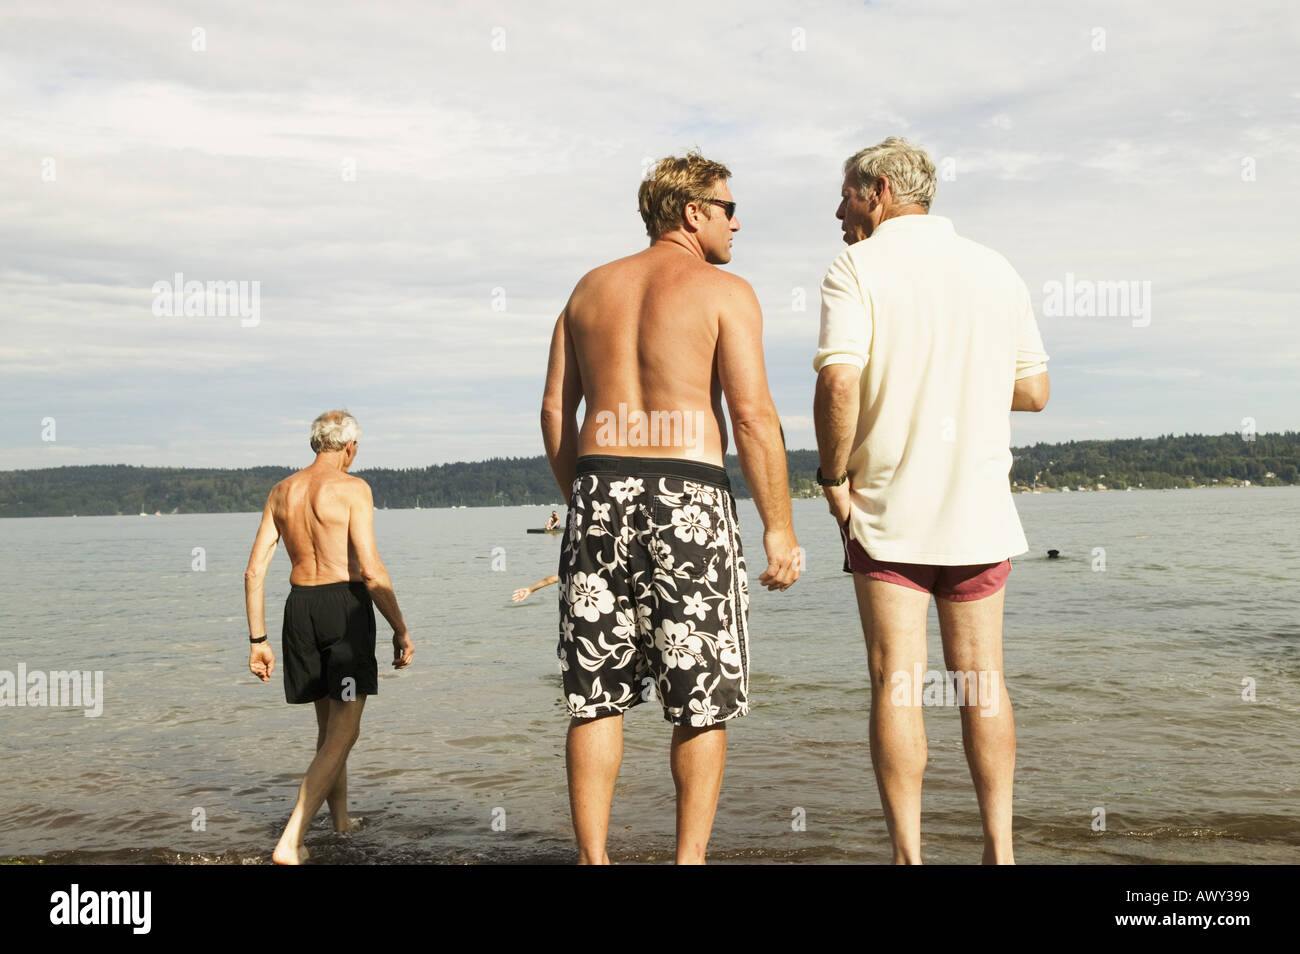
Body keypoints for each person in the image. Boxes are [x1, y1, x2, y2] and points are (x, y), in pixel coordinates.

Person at [541, 151, 801, 865]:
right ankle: (688, 863)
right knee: (701, 693)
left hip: (598, 485)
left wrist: (586, 498)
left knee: (596, 692)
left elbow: (554, 409)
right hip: (687, 494)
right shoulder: (725, 291)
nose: (736, 221)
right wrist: (780, 527)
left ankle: (595, 862)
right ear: (692, 212)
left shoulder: (589, 290)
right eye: (727, 208)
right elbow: (751, 417)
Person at [812, 137, 1050, 864]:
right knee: (983, 681)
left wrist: (830, 477)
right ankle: (999, 852)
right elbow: (1034, 391)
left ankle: (910, 858)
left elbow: (840, 383)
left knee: (896, 683)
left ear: (878, 190)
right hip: (978, 515)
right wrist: (963, 378)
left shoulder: (857, 265)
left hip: (888, 515)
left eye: (847, 196)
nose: (838, 212)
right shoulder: (994, 267)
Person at [244, 409, 414, 864]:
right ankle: (291, 838)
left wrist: (257, 640)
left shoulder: (282, 491)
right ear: (350, 447)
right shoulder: (354, 489)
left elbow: (254, 570)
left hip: (300, 609)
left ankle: (340, 821)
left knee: (328, 729)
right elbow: (372, 572)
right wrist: (400, 628)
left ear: (315, 444)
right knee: (345, 731)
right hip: (344, 609)